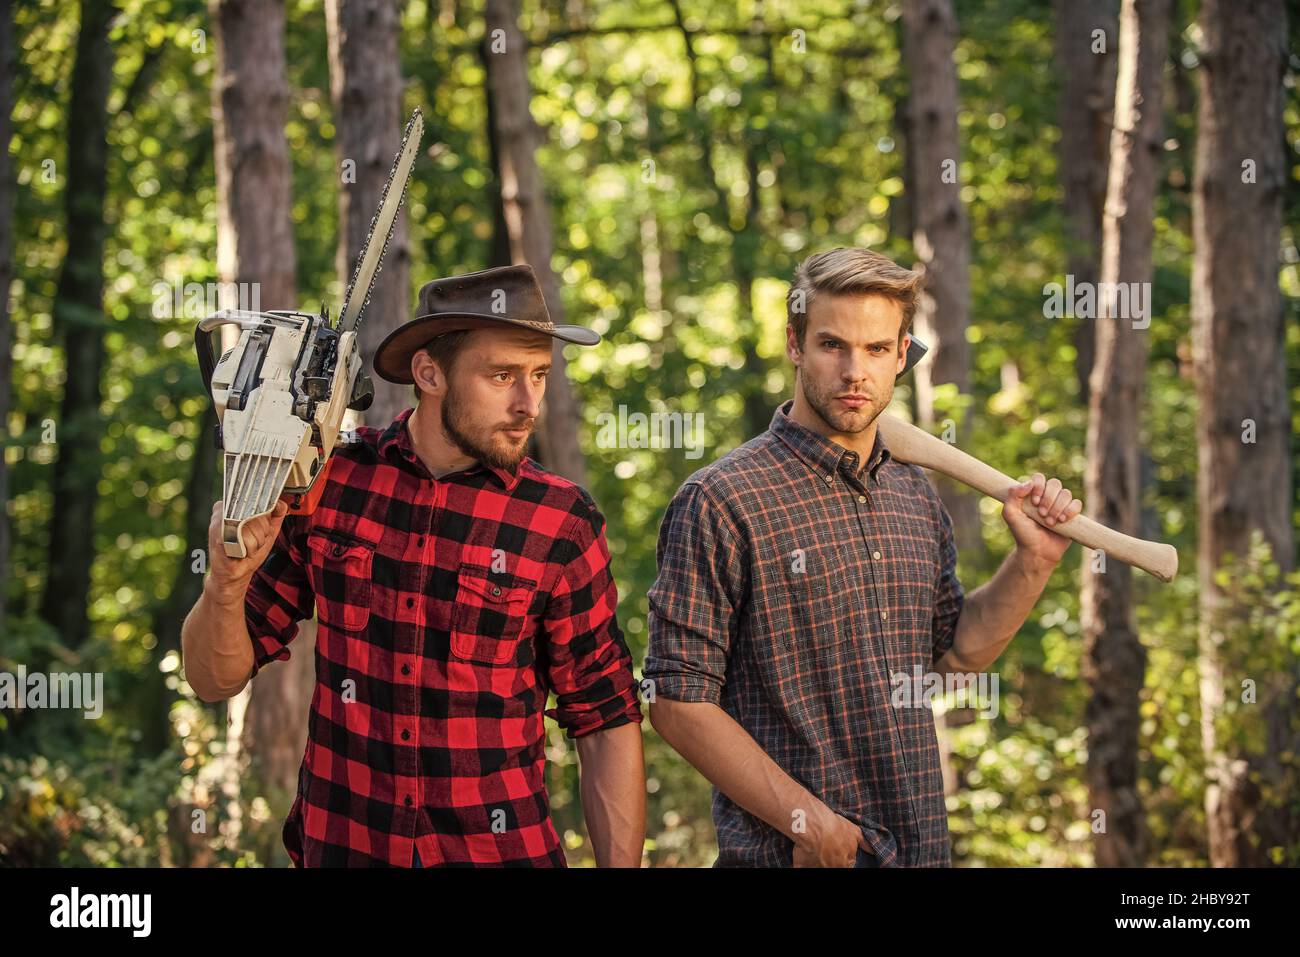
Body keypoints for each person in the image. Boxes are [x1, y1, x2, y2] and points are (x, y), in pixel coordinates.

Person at [182, 264, 645, 867]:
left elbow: (605, 717)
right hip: (345, 850)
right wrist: (225, 582)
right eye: (502, 376)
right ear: (429, 372)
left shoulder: (560, 520)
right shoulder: (331, 482)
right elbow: (213, 679)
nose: (528, 403)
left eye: (539, 376)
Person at [643, 247, 1083, 867]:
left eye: (877, 349)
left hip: (920, 850)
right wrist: (813, 824)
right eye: (833, 345)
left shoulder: (914, 497)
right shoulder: (722, 500)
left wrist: (1033, 563)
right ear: (795, 343)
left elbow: (952, 661)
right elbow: (675, 700)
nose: (856, 371)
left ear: (902, 355)